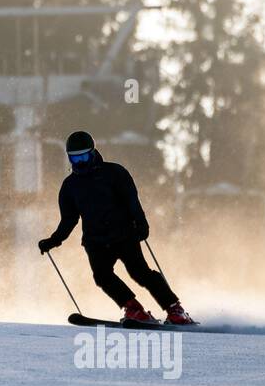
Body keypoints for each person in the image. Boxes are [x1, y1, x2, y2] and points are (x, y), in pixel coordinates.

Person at [38, 130, 196, 325]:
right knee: (102, 277)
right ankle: (134, 309)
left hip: (124, 235)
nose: (80, 162)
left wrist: (141, 223)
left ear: (93, 153)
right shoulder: (70, 186)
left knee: (140, 273)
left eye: (84, 156)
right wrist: (53, 240)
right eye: (75, 158)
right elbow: (69, 220)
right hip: (95, 241)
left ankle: (174, 309)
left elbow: (132, 200)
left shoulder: (114, 173)